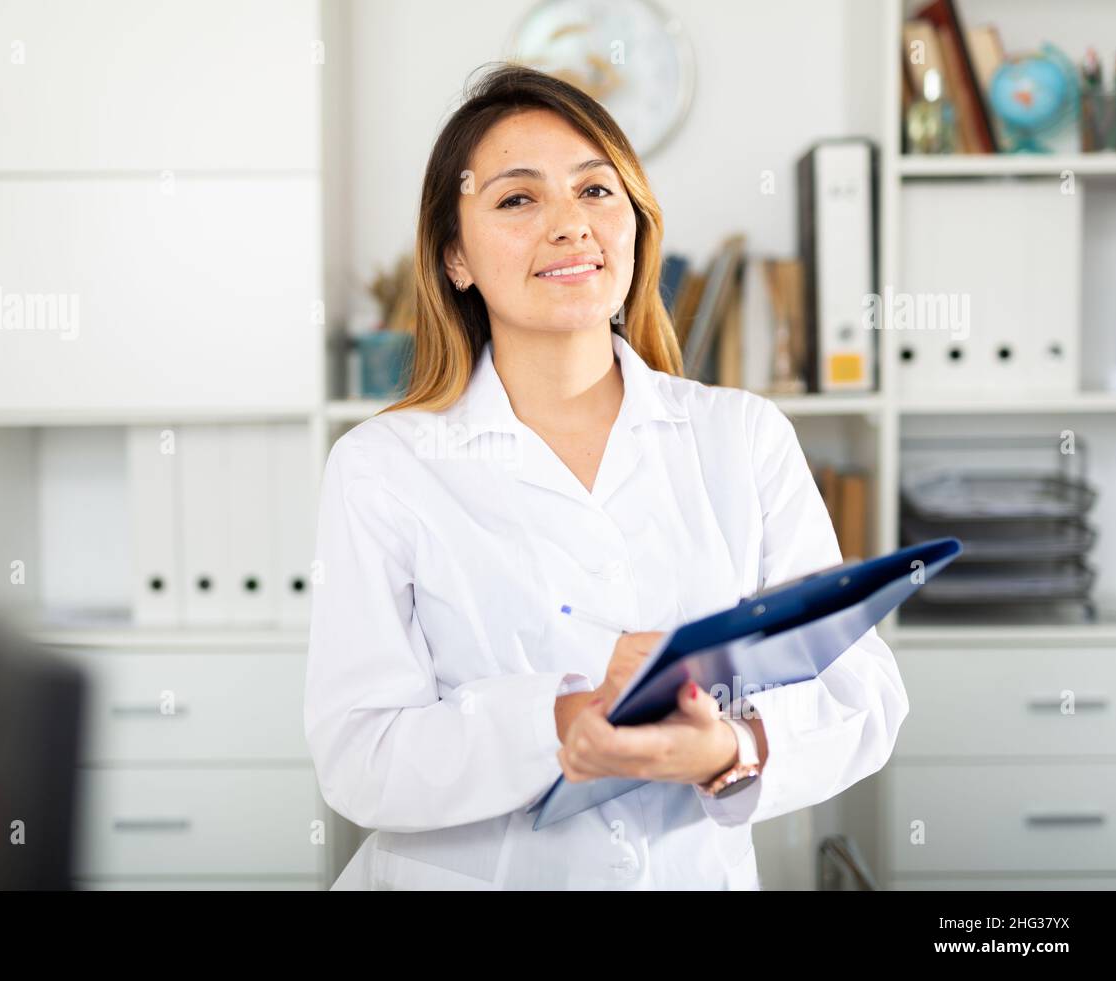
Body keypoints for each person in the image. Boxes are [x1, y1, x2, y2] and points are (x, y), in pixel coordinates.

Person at [303, 63, 907, 890]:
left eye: (597, 191)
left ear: (635, 223)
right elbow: (358, 756)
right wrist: (561, 719)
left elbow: (861, 692)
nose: (570, 225)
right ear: (454, 256)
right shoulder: (382, 467)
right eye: (518, 199)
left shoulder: (743, 436)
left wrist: (732, 744)